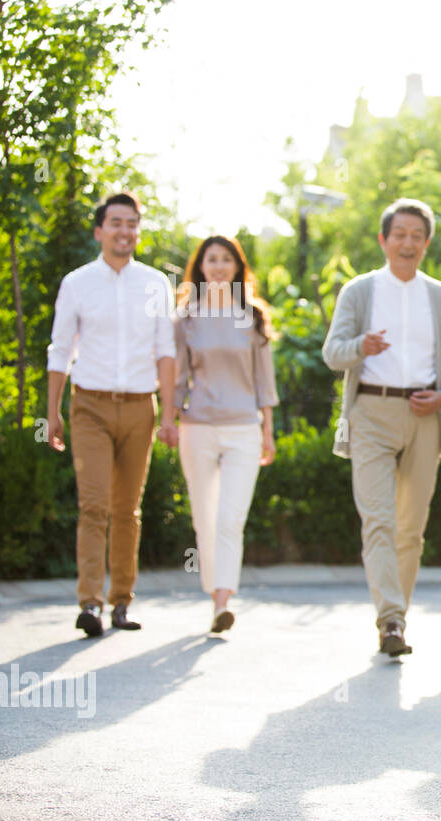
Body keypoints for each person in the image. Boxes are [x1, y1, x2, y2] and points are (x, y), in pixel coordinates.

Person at [322, 198, 441, 658]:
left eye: (416, 236)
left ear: (426, 243)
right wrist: (361, 346)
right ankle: (391, 619)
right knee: (379, 520)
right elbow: (332, 354)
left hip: (424, 416)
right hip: (371, 412)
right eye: (399, 234)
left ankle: (396, 618)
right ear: (384, 240)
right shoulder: (360, 291)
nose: (408, 243)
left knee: (411, 528)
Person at [45, 192, 178, 637]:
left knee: (127, 510)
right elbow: (61, 348)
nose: (125, 231)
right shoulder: (78, 282)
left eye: (132, 223)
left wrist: (169, 416)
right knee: (94, 505)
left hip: (141, 406)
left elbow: (166, 350)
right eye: (116, 222)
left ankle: (122, 601)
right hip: (90, 407)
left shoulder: (155, 283)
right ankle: (90, 604)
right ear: (100, 230)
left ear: (137, 231)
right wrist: (53, 413)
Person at [173, 236, 279, 634]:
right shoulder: (185, 318)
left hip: (243, 429)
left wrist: (267, 431)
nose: (218, 266)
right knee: (205, 517)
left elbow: (263, 381)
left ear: (237, 267)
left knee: (231, 517)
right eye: (210, 260)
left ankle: (222, 601)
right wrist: (170, 417)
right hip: (197, 427)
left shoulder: (250, 316)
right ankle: (214, 592)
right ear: (200, 268)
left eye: (225, 260)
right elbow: (179, 376)